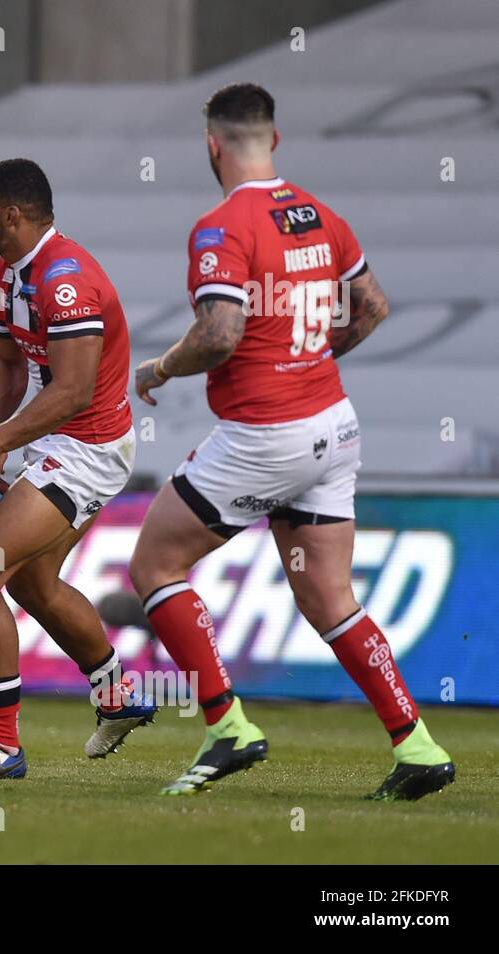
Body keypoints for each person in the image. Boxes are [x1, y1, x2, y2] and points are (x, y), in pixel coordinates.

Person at [128, 83, 454, 800]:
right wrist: (311, 358)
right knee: (330, 598)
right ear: (273, 140)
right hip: (333, 425)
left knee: (153, 565)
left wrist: (158, 368)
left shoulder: (221, 226)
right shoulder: (319, 214)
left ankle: (227, 728)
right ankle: (419, 746)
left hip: (266, 434)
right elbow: (372, 305)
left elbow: (218, 335)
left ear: (211, 145)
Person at [0, 159, 154, 780]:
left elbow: (74, 392)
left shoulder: (65, 280)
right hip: (51, 444)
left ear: (11, 214)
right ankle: (118, 697)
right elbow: (9, 368)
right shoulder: (5, 277)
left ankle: (2, 749)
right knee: (32, 585)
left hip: (86, 449)